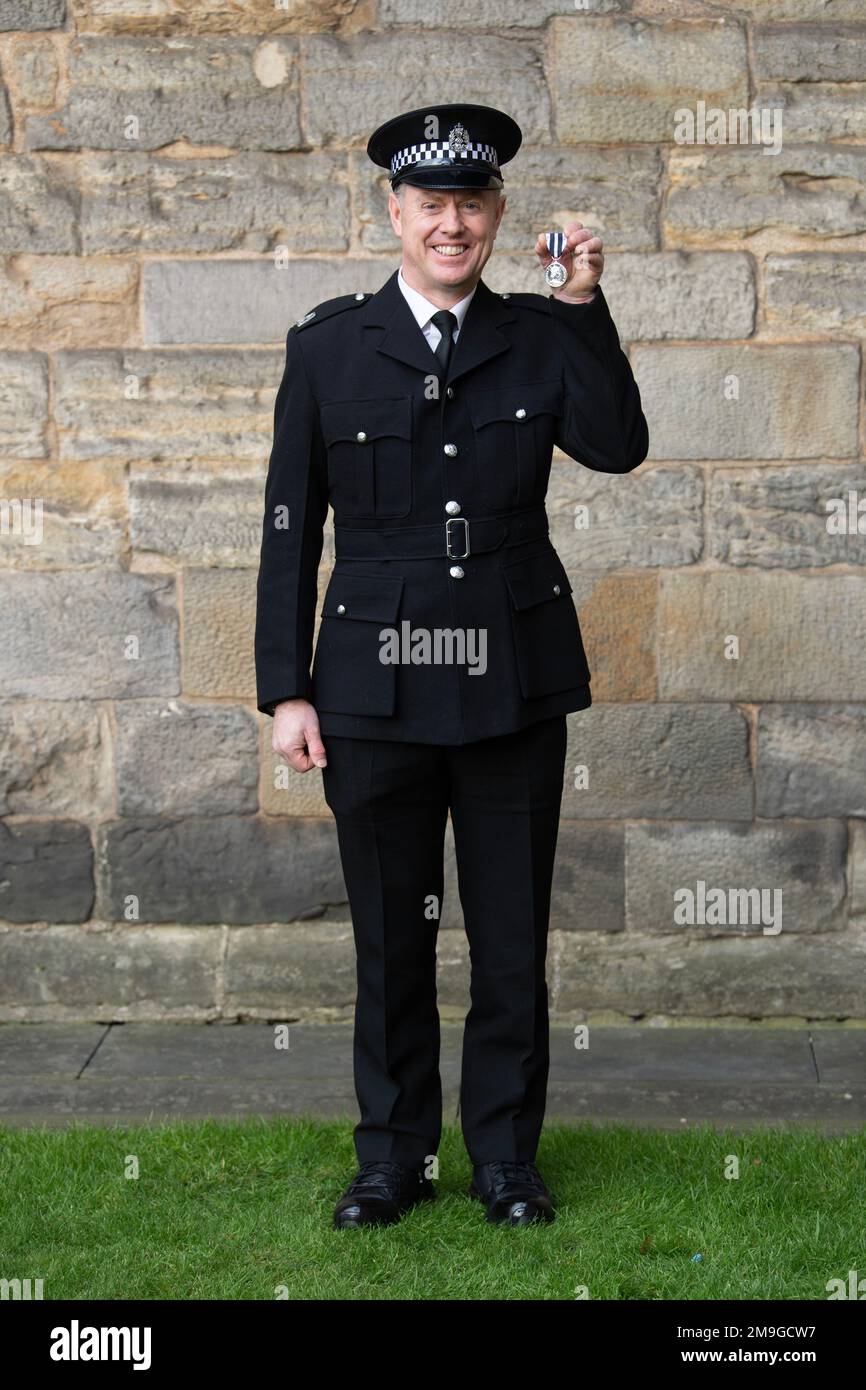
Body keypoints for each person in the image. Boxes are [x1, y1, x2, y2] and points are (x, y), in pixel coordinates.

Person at [255, 103, 649, 1229]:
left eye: (469, 204)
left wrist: (581, 304)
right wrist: (286, 687)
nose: (450, 223)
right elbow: (290, 526)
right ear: (393, 211)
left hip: (509, 673)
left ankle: (505, 1162)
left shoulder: (535, 335)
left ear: (496, 215)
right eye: (429, 204)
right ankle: (391, 1160)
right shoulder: (327, 348)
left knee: (510, 936)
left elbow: (617, 446)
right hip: (370, 683)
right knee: (391, 940)